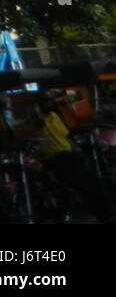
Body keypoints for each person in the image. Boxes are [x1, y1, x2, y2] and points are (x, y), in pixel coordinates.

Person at [31, 95, 112, 223]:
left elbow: (66, 134)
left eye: (49, 102)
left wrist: (76, 147)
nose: (49, 105)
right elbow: (37, 124)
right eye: (45, 103)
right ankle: (104, 215)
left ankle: (105, 213)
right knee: (85, 185)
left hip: (69, 153)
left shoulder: (54, 116)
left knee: (94, 182)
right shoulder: (37, 120)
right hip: (56, 157)